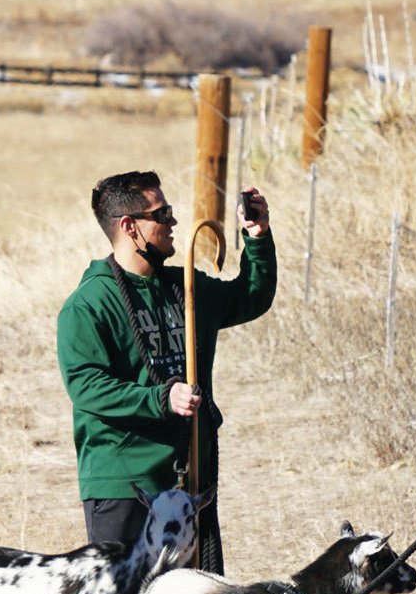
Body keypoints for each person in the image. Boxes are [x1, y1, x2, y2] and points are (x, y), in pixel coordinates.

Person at [56, 171, 276, 572]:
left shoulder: (186, 288)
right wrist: (161, 398)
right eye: (163, 214)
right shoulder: (88, 305)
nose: (174, 222)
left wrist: (257, 236)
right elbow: (86, 385)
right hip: (126, 482)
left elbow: (251, 296)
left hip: (188, 481)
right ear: (129, 226)